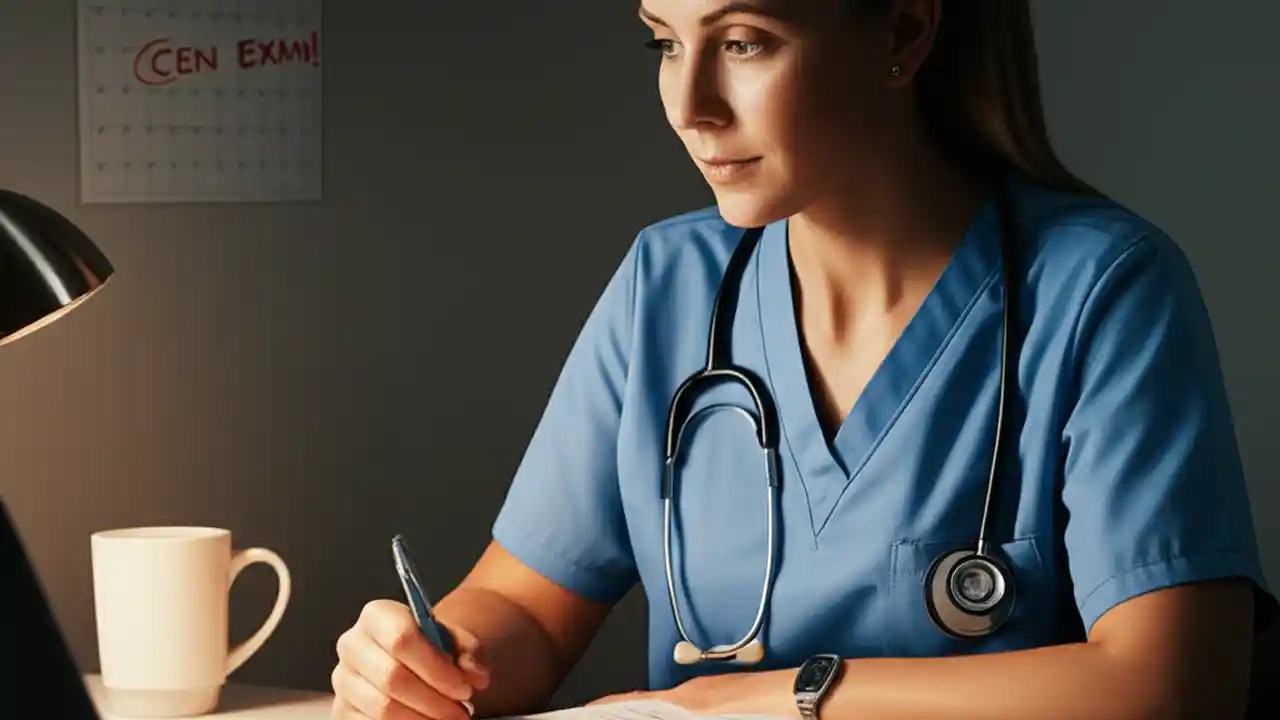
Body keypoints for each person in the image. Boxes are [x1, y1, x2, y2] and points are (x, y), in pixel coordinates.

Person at [329, 1, 1279, 718]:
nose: (690, 105)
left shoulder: (1103, 285)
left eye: (743, 41)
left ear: (903, 33)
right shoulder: (670, 281)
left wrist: (757, 703)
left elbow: (1171, 681)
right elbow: (525, 610)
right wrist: (429, 659)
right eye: (666, 40)